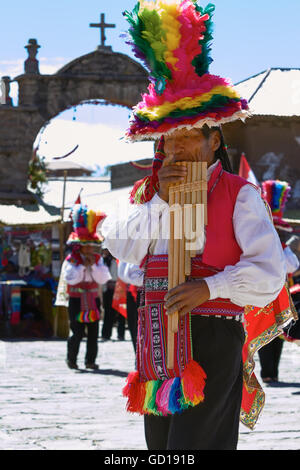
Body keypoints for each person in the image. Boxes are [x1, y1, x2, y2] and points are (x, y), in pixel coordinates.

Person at [100, 1, 294, 450]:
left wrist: (209, 287)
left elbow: (269, 274)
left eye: (191, 135)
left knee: (197, 443)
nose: (178, 147)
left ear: (214, 140)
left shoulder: (239, 194)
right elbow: (122, 248)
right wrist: (160, 198)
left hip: (210, 331)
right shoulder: (146, 194)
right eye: (170, 137)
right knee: (162, 445)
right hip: (154, 328)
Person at [258, 180, 300, 383]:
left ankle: (271, 372)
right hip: (263, 295)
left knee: (279, 333)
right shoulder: (261, 245)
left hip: (280, 295)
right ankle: (267, 372)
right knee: (266, 334)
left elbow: (292, 266)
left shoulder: (282, 247)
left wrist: (282, 247)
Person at [61, 202, 111, 370]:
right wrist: (83, 266)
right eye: (87, 245)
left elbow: (103, 278)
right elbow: (71, 279)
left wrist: (94, 266)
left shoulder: (98, 260)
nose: (90, 248)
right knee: (77, 332)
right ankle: (72, 359)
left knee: (93, 332)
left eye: (91, 245)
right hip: (76, 301)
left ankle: (90, 360)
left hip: (92, 300)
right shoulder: (72, 261)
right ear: (80, 246)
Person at [117, 261, 144, 353]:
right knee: (134, 326)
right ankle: (138, 357)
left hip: (149, 290)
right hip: (133, 293)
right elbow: (123, 273)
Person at [101, 249, 126, 341]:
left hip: (120, 288)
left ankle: (121, 334)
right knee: (108, 312)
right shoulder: (104, 261)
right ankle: (106, 334)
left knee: (121, 312)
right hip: (108, 290)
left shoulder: (121, 259)